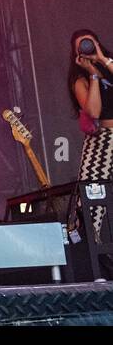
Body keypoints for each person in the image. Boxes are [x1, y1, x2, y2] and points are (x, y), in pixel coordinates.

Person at [69, 30, 113, 239]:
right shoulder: (80, 80)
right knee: (91, 200)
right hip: (103, 141)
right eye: (81, 46)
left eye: (89, 43)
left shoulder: (110, 64)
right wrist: (93, 74)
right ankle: (91, 250)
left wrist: (102, 59)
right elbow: (94, 111)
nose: (86, 48)